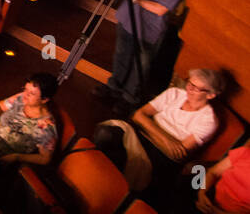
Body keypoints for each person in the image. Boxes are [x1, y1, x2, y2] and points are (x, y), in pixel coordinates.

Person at [93, 0, 191, 110]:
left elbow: (161, 9)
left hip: (149, 29)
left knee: (140, 65)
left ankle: (129, 98)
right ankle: (114, 88)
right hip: (127, 19)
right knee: (121, 56)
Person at [92, 68, 224, 195]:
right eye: (190, 83)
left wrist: (147, 126)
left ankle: (103, 188)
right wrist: (167, 140)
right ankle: (94, 178)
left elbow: (177, 153)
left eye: (196, 88)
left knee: (119, 155)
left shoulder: (209, 120)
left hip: (159, 155)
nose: (189, 89)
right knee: (107, 133)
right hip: (140, 134)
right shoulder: (174, 93)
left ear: (211, 95)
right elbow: (138, 115)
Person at [0, 73, 60, 177]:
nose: (25, 94)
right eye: (25, 89)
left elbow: (45, 158)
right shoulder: (21, 98)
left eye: (31, 93)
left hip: (1, 157)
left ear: (44, 99)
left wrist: (17, 157)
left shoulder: (46, 126)